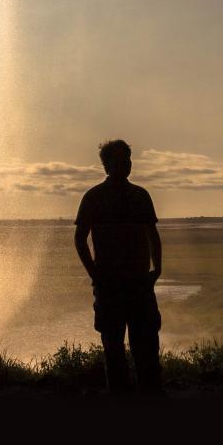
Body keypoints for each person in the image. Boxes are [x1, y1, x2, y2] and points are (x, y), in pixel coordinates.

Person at [74, 138, 162, 391]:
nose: (126, 165)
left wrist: (157, 269)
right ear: (107, 165)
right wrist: (94, 273)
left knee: (145, 344)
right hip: (112, 284)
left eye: (128, 160)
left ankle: (149, 393)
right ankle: (124, 396)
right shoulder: (94, 197)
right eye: (121, 160)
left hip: (137, 282)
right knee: (114, 346)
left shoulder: (140, 196)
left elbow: (152, 234)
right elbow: (80, 238)